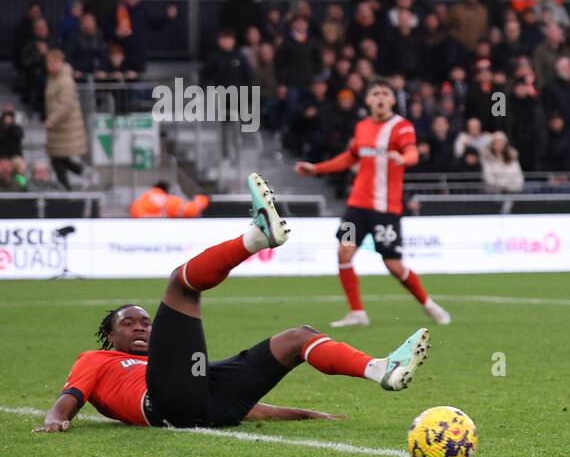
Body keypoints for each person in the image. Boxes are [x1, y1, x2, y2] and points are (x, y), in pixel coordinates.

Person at [35, 174, 429, 432]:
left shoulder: (173, 366)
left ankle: (381, 369)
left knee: (298, 338)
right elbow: (68, 399)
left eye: (145, 322)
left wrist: (305, 413)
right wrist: (56, 419)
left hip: (206, 406)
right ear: (110, 334)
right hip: (162, 404)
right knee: (180, 284)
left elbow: (246, 407)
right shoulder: (96, 361)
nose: (141, 325)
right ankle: (257, 237)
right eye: (129, 323)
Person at [294, 78, 452, 329]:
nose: (380, 97)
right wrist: (317, 169)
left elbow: (412, 152)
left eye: (385, 93)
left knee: (393, 265)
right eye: (375, 93)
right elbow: (350, 157)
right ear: (367, 100)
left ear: (392, 99)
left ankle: (428, 304)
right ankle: (357, 312)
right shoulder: (363, 127)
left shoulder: (402, 127)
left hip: (385, 208)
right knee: (343, 252)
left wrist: (404, 158)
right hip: (357, 206)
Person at [43, 49, 88, 190]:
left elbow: (65, 105)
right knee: (58, 158)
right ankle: (81, 175)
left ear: (60, 63)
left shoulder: (65, 80)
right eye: (49, 63)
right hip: (58, 129)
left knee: (57, 158)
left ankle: (68, 185)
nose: (50, 66)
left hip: (66, 127)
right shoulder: (53, 77)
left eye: (53, 63)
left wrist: (52, 120)